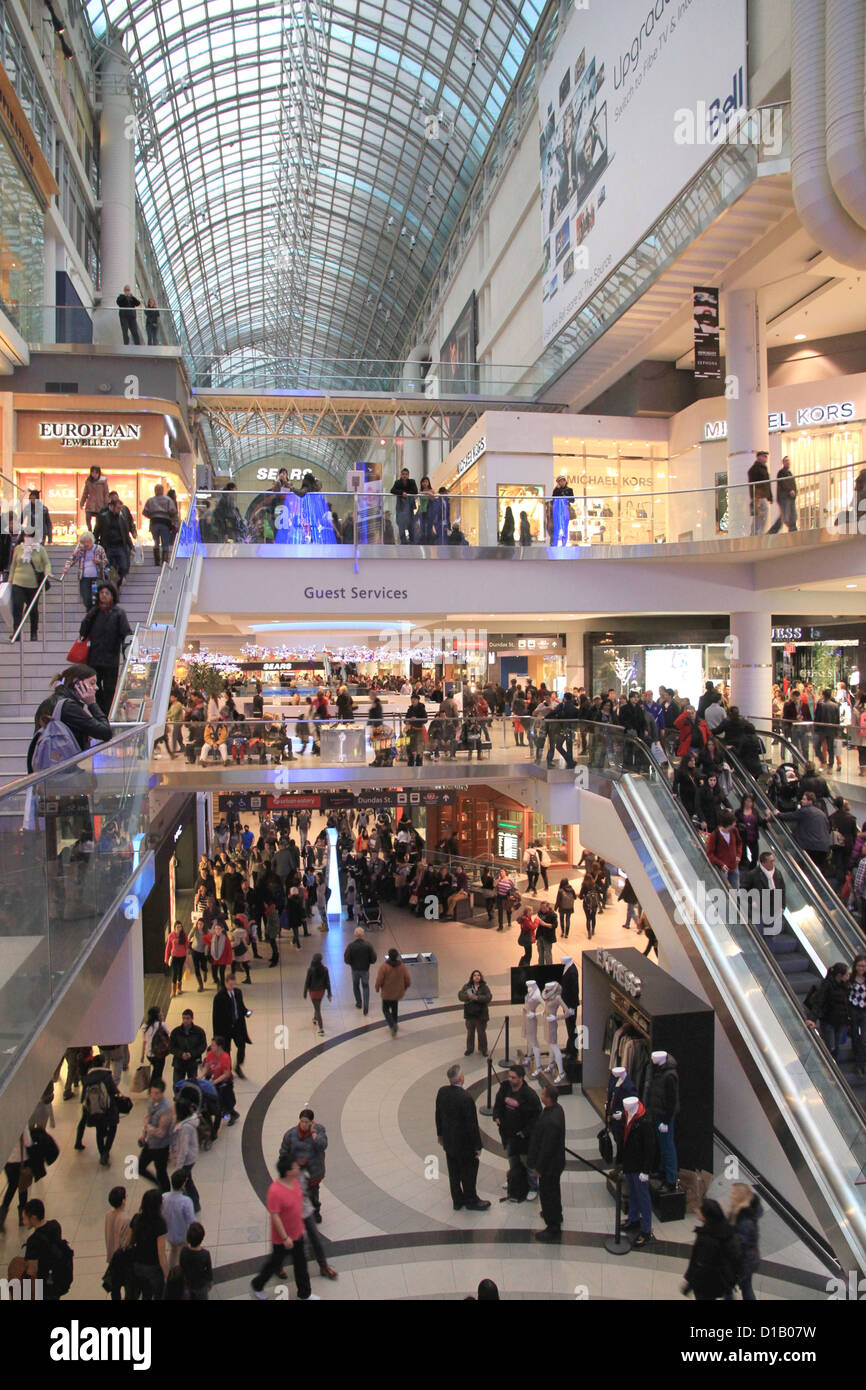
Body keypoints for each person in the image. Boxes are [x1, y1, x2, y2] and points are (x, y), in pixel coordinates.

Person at [250, 1156, 318, 1301]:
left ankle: (305, 1294)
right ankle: (257, 1284)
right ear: (288, 1171)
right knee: (274, 1263)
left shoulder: (295, 1182)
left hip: (297, 1232)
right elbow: (275, 1216)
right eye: (295, 1167)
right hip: (282, 1238)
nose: (298, 1168)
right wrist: (285, 1237)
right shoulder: (275, 1191)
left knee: (301, 1264)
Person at [435, 1063, 491, 1212]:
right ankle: (471, 1199)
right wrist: (477, 1146)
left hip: (449, 1141)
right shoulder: (466, 1098)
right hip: (464, 1145)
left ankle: (457, 1200)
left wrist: (440, 1134)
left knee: (453, 1172)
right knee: (468, 1173)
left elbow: (438, 1115)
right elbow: (472, 1125)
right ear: (460, 1078)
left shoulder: (442, 1092)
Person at [493, 1064, 541, 1202]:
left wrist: (525, 1132)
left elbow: (537, 1117)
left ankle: (533, 1187)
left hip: (524, 1138)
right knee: (512, 1158)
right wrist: (497, 1116)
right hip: (509, 1135)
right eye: (509, 1076)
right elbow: (498, 1103)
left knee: (528, 1163)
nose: (510, 1079)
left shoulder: (530, 1096)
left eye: (513, 1077)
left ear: (521, 1078)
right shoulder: (505, 1088)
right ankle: (513, 1178)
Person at [681, 1197, 742, 1300]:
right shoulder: (725, 1229)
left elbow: (701, 1265)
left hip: (706, 1284)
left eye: (700, 1210)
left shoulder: (708, 1238)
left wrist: (690, 1284)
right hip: (720, 1281)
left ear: (706, 1216)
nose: (697, 1211)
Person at [528, 1084, 566, 1242]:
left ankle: (553, 1225)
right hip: (555, 1162)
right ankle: (556, 1214)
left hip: (550, 1165)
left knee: (548, 1193)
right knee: (553, 1190)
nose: (541, 1095)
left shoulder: (551, 1121)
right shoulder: (557, 1109)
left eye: (543, 1094)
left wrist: (539, 1168)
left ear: (548, 1098)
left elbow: (547, 1148)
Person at [279, 1110, 328, 1224]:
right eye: (302, 1121)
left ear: (312, 1122)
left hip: (314, 1172)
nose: (304, 1124)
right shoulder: (290, 1134)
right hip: (297, 1174)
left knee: (313, 1195)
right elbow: (284, 1152)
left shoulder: (319, 1130)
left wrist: (314, 1134)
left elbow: (323, 1145)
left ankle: (315, 1212)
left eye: (307, 1122)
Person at [74, 1054, 121, 1166]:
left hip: (94, 1109)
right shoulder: (107, 1075)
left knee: (99, 1130)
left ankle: (101, 1153)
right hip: (108, 1108)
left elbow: (84, 1097)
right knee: (113, 1126)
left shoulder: (87, 1077)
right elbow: (114, 1090)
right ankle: (106, 1151)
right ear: (103, 1063)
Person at [21, 1199, 71, 1300]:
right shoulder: (55, 1225)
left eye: (24, 1218)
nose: (23, 1222)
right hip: (58, 1276)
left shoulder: (33, 1241)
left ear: (33, 1218)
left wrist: (24, 1282)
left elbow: (32, 1269)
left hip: (43, 1281)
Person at [805, 961, 851, 1060]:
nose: (848, 976)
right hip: (828, 1021)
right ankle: (827, 1065)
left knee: (837, 1046)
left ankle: (833, 1067)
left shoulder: (846, 985)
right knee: (829, 1046)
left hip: (841, 1021)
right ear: (839, 976)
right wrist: (812, 1018)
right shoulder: (827, 985)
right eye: (846, 974)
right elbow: (819, 1002)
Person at [9, 533, 51, 641]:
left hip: (33, 584)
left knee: (33, 609)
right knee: (17, 607)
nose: (28, 539)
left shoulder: (40, 549)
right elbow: (13, 565)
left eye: (30, 536)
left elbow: (47, 563)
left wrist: (47, 572)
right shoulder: (18, 548)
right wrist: (10, 581)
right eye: (26, 536)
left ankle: (33, 632)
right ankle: (16, 632)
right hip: (18, 582)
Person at [129, 1188, 168, 1300]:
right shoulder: (160, 1224)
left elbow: (129, 1242)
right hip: (153, 1266)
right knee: (157, 1294)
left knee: (145, 1293)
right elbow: (161, 1254)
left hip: (138, 1263)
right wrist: (167, 1275)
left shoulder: (136, 1218)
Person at [137, 1077, 173, 1193]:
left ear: (162, 1093)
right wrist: (144, 1134)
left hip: (161, 1147)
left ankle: (165, 1192)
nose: (153, 1095)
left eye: (156, 1093)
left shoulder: (166, 1109)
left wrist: (148, 1127)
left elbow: (161, 1133)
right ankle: (158, 1185)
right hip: (150, 1143)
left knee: (161, 1172)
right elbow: (149, 1118)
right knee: (140, 1167)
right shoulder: (151, 1102)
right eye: (152, 1092)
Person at [728, 1183, 762, 1300]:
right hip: (745, 1261)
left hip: (743, 1262)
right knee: (746, 1288)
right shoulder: (739, 1212)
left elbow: (742, 1243)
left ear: (739, 1196)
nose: (730, 1195)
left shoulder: (744, 1219)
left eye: (733, 1193)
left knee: (730, 1288)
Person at [61, 530, 108, 611]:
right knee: (86, 598)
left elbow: (106, 562)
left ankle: (94, 613)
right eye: (84, 542)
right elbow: (72, 559)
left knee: (96, 598)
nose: (86, 544)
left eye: (88, 542)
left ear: (92, 541)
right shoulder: (80, 549)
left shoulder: (99, 549)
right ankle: (90, 612)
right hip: (84, 577)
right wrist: (66, 567)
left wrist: (99, 562)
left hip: (96, 577)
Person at [94, 494, 134, 589]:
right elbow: (96, 532)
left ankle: (116, 584)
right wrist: (95, 546)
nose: (120, 510)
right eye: (118, 508)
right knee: (108, 567)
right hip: (108, 546)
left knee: (124, 566)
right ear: (111, 507)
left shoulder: (122, 518)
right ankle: (113, 585)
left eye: (121, 508)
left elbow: (125, 534)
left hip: (120, 546)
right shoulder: (103, 517)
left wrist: (131, 546)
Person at [169, 1099, 201, 1213]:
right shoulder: (184, 1123)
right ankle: (195, 1202)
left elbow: (184, 1149)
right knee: (188, 1180)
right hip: (189, 1157)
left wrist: (179, 1166)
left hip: (187, 1160)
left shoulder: (185, 1128)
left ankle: (195, 1204)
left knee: (187, 1182)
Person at [202, 1035, 240, 1126]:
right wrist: (201, 1076)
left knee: (226, 1100)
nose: (211, 1047)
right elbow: (206, 1067)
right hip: (214, 1081)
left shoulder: (225, 1057)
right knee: (217, 1100)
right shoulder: (210, 1054)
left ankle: (232, 1114)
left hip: (224, 1083)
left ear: (219, 1046)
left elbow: (226, 1074)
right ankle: (226, 1113)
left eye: (213, 1045)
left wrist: (215, 1082)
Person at [162, 1169, 195, 1270]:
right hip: (182, 1233)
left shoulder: (164, 1197)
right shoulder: (186, 1201)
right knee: (184, 1252)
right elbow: (191, 1220)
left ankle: (172, 1271)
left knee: (173, 1251)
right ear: (183, 1183)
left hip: (170, 1232)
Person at [104, 1186, 133, 1301]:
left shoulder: (108, 1215)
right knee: (128, 1285)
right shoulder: (126, 1219)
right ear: (123, 1201)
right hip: (122, 1259)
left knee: (115, 1287)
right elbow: (126, 1243)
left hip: (112, 1257)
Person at [375, 947, 412, 1035]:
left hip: (387, 993)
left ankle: (392, 1025)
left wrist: (377, 988)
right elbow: (408, 979)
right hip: (397, 992)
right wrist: (405, 987)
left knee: (385, 1009)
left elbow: (379, 979)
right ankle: (395, 1023)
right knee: (395, 1008)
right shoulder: (402, 966)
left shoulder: (384, 967)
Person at [142, 484, 179, 565]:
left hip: (154, 523)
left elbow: (144, 512)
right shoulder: (168, 500)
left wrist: (151, 516)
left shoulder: (150, 500)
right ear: (163, 490)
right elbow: (173, 511)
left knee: (156, 542)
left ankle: (157, 561)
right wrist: (170, 517)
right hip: (165, 523)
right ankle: (164, 562)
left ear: (155, 490)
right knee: (165, 543)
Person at [344, 926, 377, 1014]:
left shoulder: (351, 946)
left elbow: (346, 959)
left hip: (355, 970)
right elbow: (374, 958)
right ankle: (366, 1006)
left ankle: (359, 1003)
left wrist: (351, 963)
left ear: (355, 935)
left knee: (356, 986)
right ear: (363, 935)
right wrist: (369, 962)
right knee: (365, 986)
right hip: (365, 969)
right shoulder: (368, 945)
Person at [458, 969, 491, 1057]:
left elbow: (488, 997)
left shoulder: (484, 987)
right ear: (472, 977)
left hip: (481, 1015)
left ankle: (483, 1049)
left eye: (478, 975)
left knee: (481, 1033)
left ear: (480, 977)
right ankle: (470, 1049)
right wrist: (468, 996)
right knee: (470, 1033)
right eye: (475, 975)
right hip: (470, 1014)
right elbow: (460, 996)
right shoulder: (467, 987)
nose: (477, 977)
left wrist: (477, 998)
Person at [169, 1009, 207, 1083]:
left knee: (193, 1084)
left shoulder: (199, 1032)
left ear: (192, 1018)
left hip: (192, 1063)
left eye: (187, 1018)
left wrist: (192, 1054)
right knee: (177, 1084)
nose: (185, 1020)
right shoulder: (176, 1032)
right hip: (179, 1063)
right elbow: (171, 1047)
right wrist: (181, 1054)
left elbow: (203, 1046)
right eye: (184, 1018)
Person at [179, 1221, 213, 1301]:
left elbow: (181, 1268)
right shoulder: (205, 1254)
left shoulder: (183, 1251)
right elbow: (209, 1271)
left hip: (187, 1285)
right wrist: (210, 1282)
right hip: (201, 1286)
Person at [303, 952, 332, 1035]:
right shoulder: (325, 969)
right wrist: (329, 994)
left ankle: (321, 1028)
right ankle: (315, 1018)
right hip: (321, 992)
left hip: (313, 992)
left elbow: (307, 982)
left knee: (317, 1008)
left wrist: (305, 992)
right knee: (317, 1005)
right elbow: (328, 982)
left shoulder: (310, 969)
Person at [768, 455, 797, 533]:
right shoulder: (781, 473)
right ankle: (791, 529)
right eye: (786, 461)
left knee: (789, 515)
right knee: (785, 516)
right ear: (783, 462)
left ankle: (792, 528)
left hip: (790, 498)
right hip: (784, 498)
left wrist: (795, 493)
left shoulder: (789, 473)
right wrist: (790, 490)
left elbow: (793, 484)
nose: (788, 462)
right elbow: (783, 483)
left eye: (789, 461)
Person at [390, 467, 418, 544]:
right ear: (401, 475)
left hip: (410, 508)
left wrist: (405, 493)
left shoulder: (412, 482)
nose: (404, 476)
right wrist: (402, 493)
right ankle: (403, 542)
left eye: (406, 474)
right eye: (403, 474)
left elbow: (415, 491)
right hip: (400, 508)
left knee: (411, 526)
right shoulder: (397, 482)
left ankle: (412, 542)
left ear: (408, 475)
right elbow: (392, 490)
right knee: (401, 526)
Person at [80, 465, 110, 530]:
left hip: (100, 505)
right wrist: (82, 502)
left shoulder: (103, 482)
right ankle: (89, 531)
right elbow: (85, 493)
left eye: (96, 472)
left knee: (99, 521)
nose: (94, 474)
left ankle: (96, 534)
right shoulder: (88, 481)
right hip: (90, 504)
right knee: (88, 517)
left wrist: (106, 504)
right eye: (92, 472)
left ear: (99, 473)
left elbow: (106, 493)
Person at [495, 866, 516, 931]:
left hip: (506, 897)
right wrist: (498, 879)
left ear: (505, 872)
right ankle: (500, 926)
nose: (501, 873)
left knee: (508, 910)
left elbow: (514, 887)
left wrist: (513, 895)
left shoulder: (509, 880)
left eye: (502, 871)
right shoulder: (498, 879)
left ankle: (509, 921)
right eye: (500, 871)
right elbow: (494, 885)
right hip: (500, 897)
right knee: (500, 911)